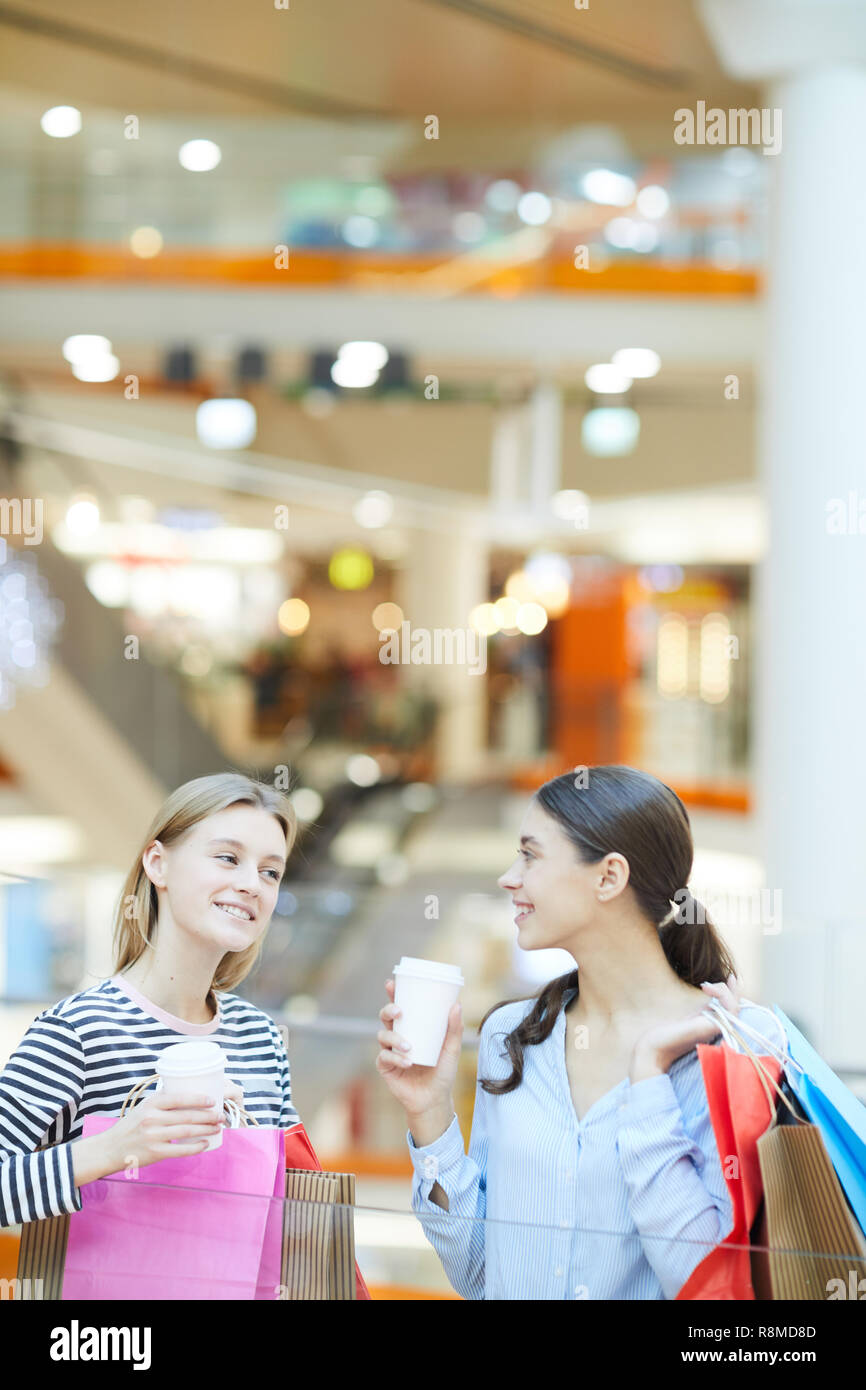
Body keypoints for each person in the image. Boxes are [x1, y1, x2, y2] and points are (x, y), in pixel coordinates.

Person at [376, 764, 787, 1300]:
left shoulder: (740, 1043)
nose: (509, 877)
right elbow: (481, 1273)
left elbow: (708, 1289)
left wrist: (648, 1081)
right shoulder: (513, 1037)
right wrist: (428, 1112)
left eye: (530, 854)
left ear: (609, 877)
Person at [0, 772, 300, 1228]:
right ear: (157, 864)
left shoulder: (261, 1038)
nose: (251, 885)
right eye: (227, 858)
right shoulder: (78, 1032)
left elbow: (289, 1201)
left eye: (270, 872)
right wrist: (116, 1147)